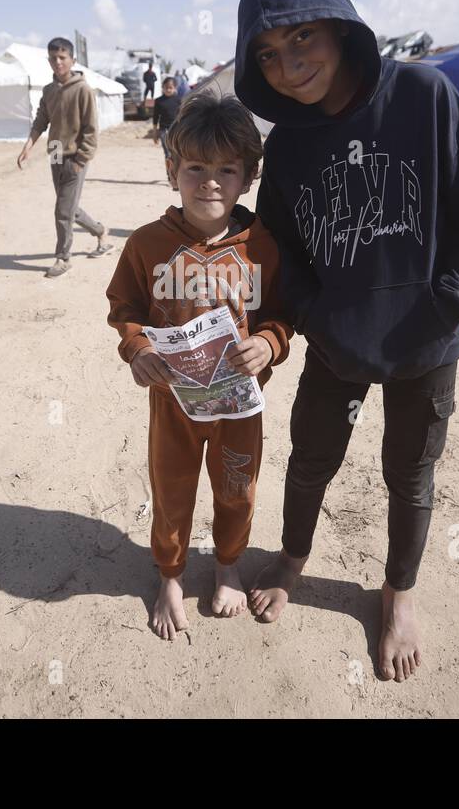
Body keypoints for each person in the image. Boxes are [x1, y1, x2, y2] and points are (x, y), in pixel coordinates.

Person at [235, 0, 459, 681]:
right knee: (310, 459)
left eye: (302, 38)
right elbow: (280, 251)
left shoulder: (424, 96)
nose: (289, 64)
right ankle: (293, 558)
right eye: (267, 53)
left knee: (410, 474)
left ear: (339, 24)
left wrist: (449, 305)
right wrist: (310, 317)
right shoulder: (291, 144)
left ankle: (398, 594)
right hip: (336, 346)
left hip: (426, 344)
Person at [106, 93, 292, 641]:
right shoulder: (146, 245)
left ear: (248, 177)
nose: (210, 182)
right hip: (173, 404)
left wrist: (269, 343)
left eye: (226, 170)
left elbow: (283, 315)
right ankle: (170, 573)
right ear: (172, 172)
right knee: (171, 489)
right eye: (195, 168)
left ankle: (228, 565)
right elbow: (125, 309)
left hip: (240, 406)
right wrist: (137, 350)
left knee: (238, 489)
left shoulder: (264, 247)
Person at [17, 37, 113, 278]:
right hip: (56, 154)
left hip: (74, 157)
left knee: (62, 210)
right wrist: (28, 146)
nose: (57, 62)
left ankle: (63, 258)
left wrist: (82, 160)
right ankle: (101, 231)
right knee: (69, 207)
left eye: (62, 57)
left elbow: (91, 129)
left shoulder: (83, 90)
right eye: (53, 58)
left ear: (72, 60)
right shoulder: (49, 90)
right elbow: (41, 120)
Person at [151, 76, 182, 160]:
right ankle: (169, 171)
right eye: (166, 88)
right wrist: (154, 132)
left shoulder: (179, 100)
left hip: (176, 130)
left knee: (177, 153)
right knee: (168, 153)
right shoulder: (159, 101)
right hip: (163, 130)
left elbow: (182, 116)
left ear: (175, 88)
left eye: (170, 88)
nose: (168, 90)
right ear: (162, 88)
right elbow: (155, 116)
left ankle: (176, 171)